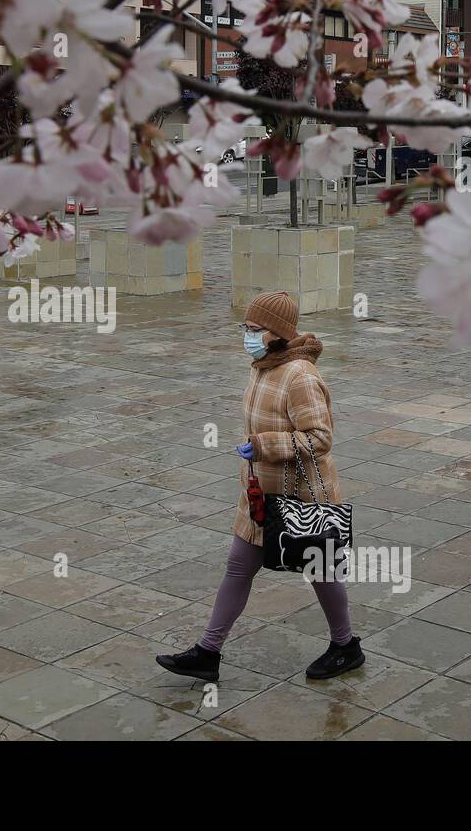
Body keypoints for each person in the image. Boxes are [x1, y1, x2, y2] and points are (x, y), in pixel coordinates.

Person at [155, 291, 362, 683]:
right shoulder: (263, 365)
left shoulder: (300, 375)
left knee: (321, 573)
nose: (247, 336)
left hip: (304, 499)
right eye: (245, 328)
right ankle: (207, 652)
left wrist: (265, 445)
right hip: (259, 497)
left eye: (255, 329)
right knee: (237, 568)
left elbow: (320, 438)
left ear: (278, 333)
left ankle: (346, 646)